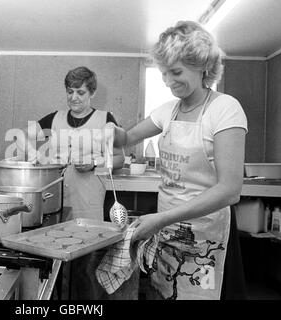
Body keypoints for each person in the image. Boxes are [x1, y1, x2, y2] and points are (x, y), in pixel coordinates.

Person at [126, 21, 248, 300]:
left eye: (176, 72)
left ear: (202, 66)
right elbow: (128, 136)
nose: (168, 82)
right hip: (168, 233)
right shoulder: (167, 111)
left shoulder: (225, 108)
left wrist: (161, 219)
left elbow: (230, 190)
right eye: (164, 73)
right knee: (168, 291)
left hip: (207, 235)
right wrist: (110, 135)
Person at [18, 66, 132, 299]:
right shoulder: (54, 118)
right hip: (55, 205)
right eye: (70, 92)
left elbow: (120, 158)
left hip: (87, 204)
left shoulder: (105, 119)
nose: (73, 97)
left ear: (92, 93)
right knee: (54, 270)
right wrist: (40, 159)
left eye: (80, 92)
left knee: (85, 271)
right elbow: (23, 139)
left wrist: (94, 163)